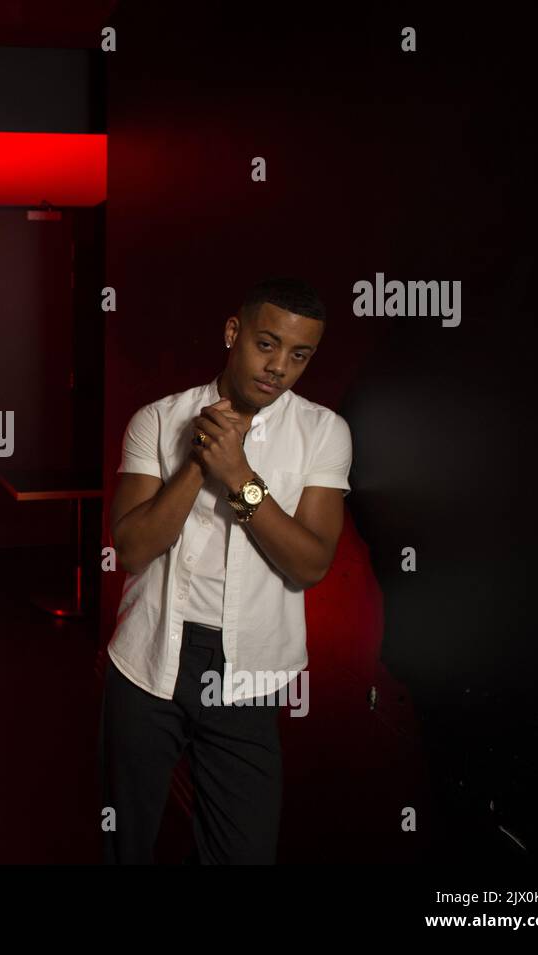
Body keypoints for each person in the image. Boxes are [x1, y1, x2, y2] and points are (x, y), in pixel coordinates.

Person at [101, 277, 352, 863]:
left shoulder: (323, 433)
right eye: (267, 344)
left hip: (249, 671)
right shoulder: (158, 420)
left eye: (299, 355)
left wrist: (238, 473)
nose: (279, 367)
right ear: (233, 333)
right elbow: (132, 547)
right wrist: (200, 462)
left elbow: (311, 563)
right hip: (148, 656)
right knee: (123, 841)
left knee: (243, 852)